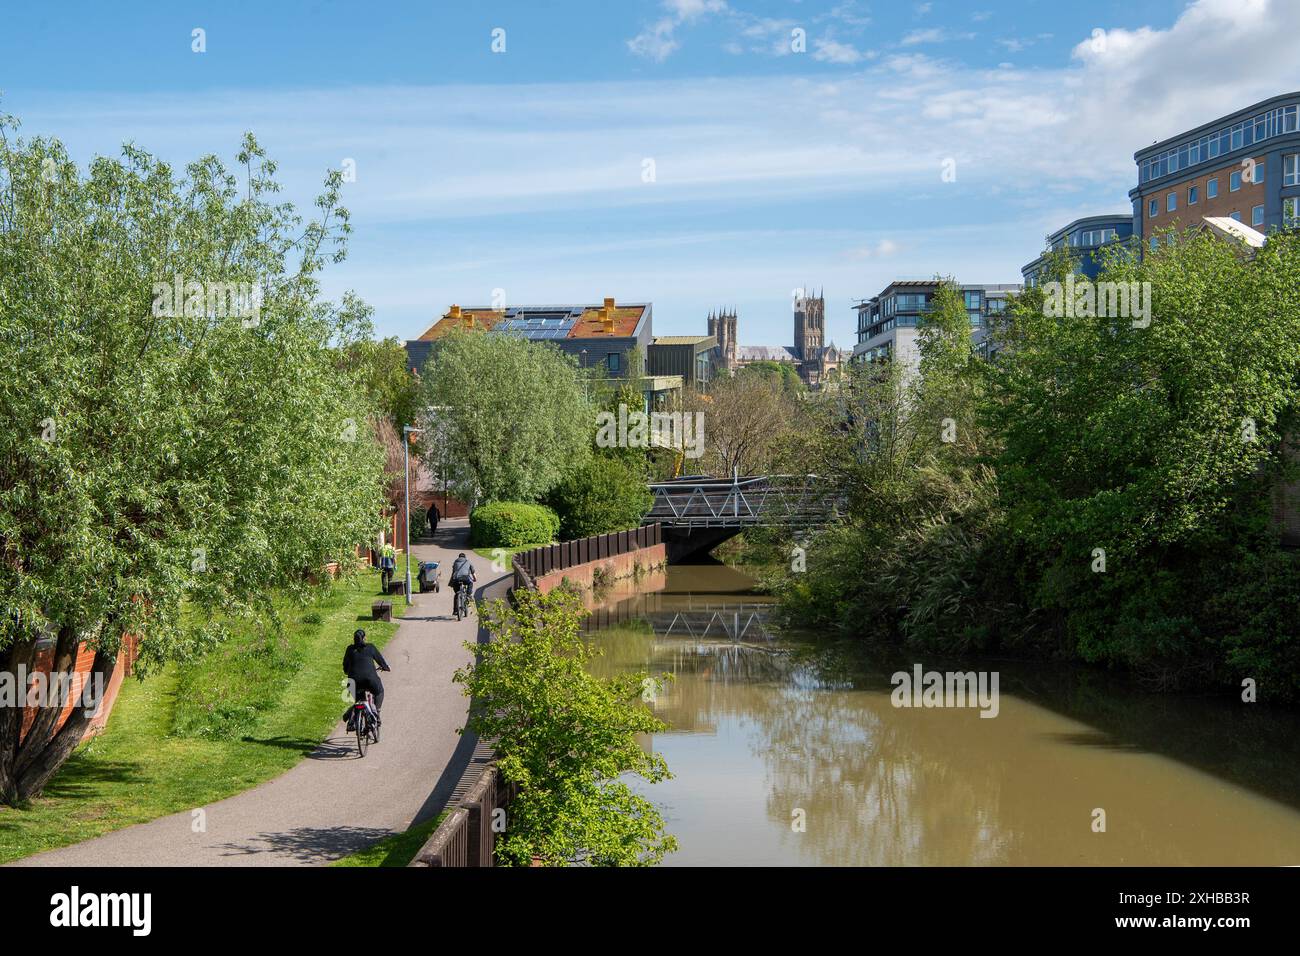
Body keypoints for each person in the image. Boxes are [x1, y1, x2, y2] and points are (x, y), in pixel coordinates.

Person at [344, 628, 391, 715]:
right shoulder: (370, 647)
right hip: (370, 679)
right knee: (379, 691)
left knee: (358, 701)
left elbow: (345, 667)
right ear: (364, 638)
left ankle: (356, 717)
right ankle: (376, 713)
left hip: (353, 682)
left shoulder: (349, 649)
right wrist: (386, 667)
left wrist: (347, 671)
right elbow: (380, 660)